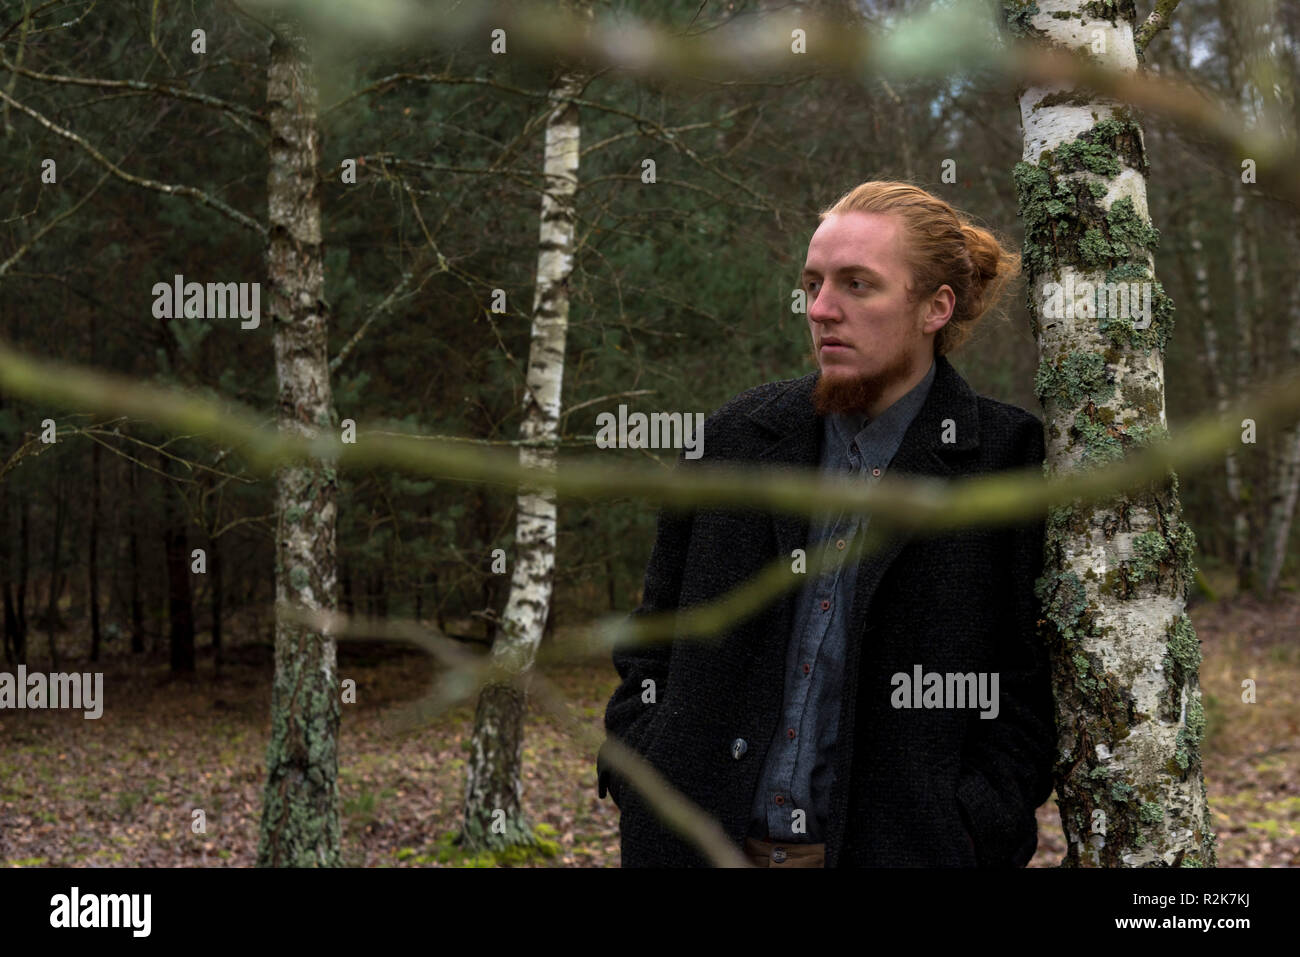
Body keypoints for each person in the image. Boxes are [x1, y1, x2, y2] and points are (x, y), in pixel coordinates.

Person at [596, 180, 1056, 867]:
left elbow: (1025, 692)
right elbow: (652, 638)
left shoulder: (1003, 460)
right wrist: (639, 762)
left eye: (856, 285)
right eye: (812, 284)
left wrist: (970, 825)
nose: (820, 309)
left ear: (935, 307)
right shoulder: (734, 440)